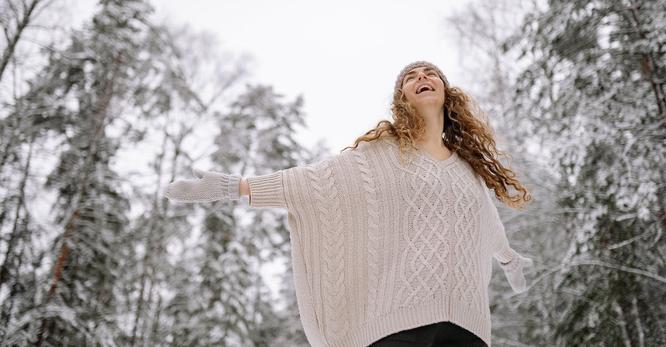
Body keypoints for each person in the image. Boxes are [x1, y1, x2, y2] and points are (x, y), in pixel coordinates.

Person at [164, 61, 535, 347]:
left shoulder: (466, 170)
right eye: (411, 76)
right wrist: (234, 187)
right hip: (400, 320)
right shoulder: (384, 153)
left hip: (467, 325)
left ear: (446, 91)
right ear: (402, 97)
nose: (422, 76)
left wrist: (507, 258)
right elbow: (311, 184)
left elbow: (486, 222)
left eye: (430, 72)